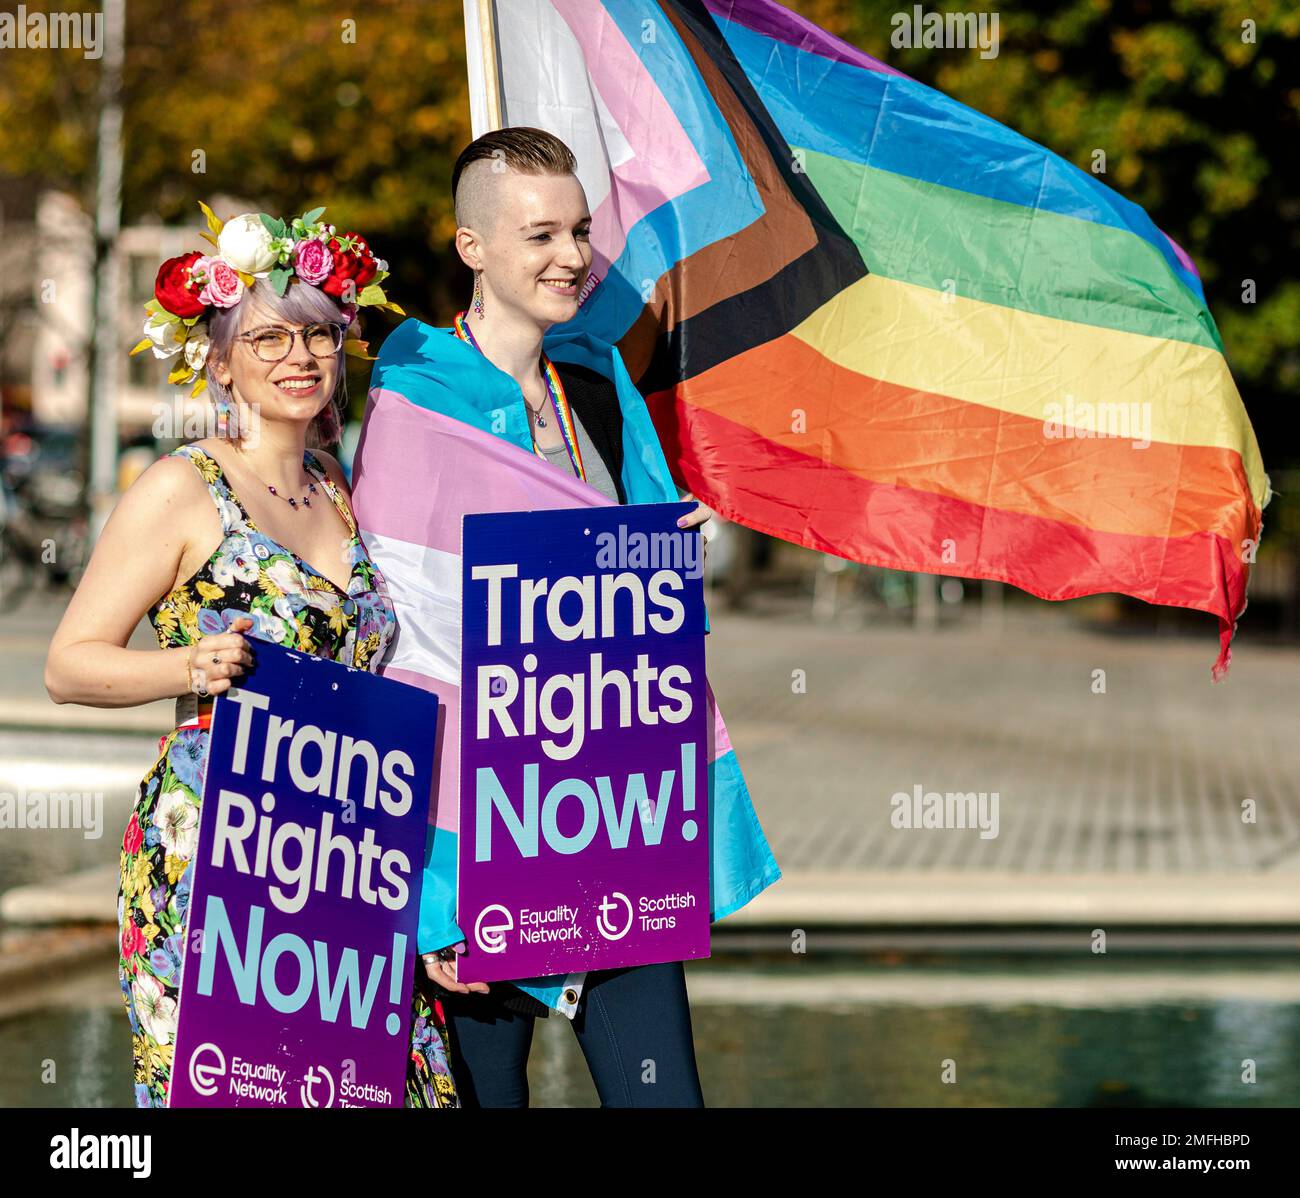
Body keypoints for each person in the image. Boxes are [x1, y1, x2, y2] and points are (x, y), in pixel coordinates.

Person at [351, 128, 781, 1107]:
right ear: (471, 247)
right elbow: (399, 647)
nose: (571, 256)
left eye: (579, 231)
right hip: (470, 840)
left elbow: (660, 613)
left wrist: (674, 545)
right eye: (539, 234)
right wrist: (428, 900)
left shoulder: (596, 383)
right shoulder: (413, 402)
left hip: (604, 818)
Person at [44, 206, 457, 1109]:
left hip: (349, 843)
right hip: (220, 846)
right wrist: (192, 666)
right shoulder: (183, 487)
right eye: (268, 338)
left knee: (386, 1086)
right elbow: (70, 664)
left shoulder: (341, 491)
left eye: (316, 333)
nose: (299, 356)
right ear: (221, 362)